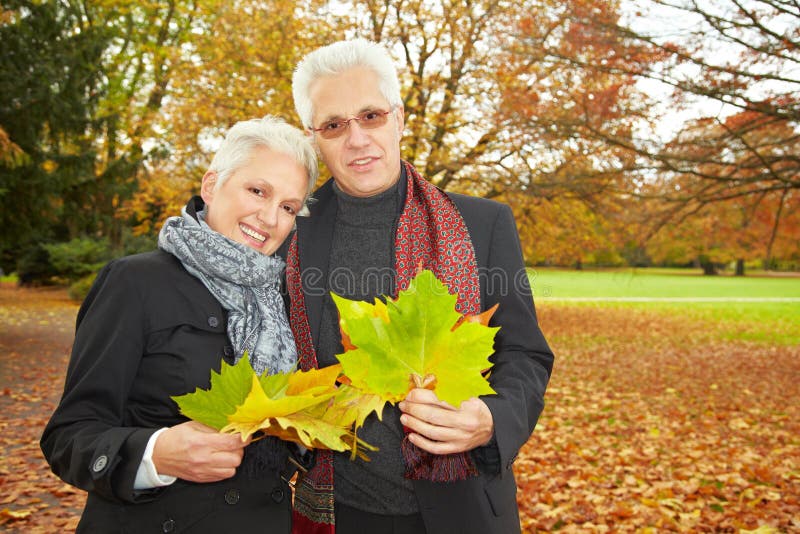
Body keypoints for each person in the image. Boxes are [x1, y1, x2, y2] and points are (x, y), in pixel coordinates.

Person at [284, 39, 554, 534]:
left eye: (371, 115)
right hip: (337, 512)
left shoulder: (482, 225)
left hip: (464, 511)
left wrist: (492, 420)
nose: (357, 139)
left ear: (399, 118)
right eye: (334, 125)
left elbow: (526, 355)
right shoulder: (289, 235)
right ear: (313, 138)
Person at [40, 115, 318, 533]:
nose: (269, 217)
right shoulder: (135, 282)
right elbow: (69, 436)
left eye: (287, 207)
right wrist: (155, 455)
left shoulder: (284, 301)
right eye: (257, 191)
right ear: (211, 186)